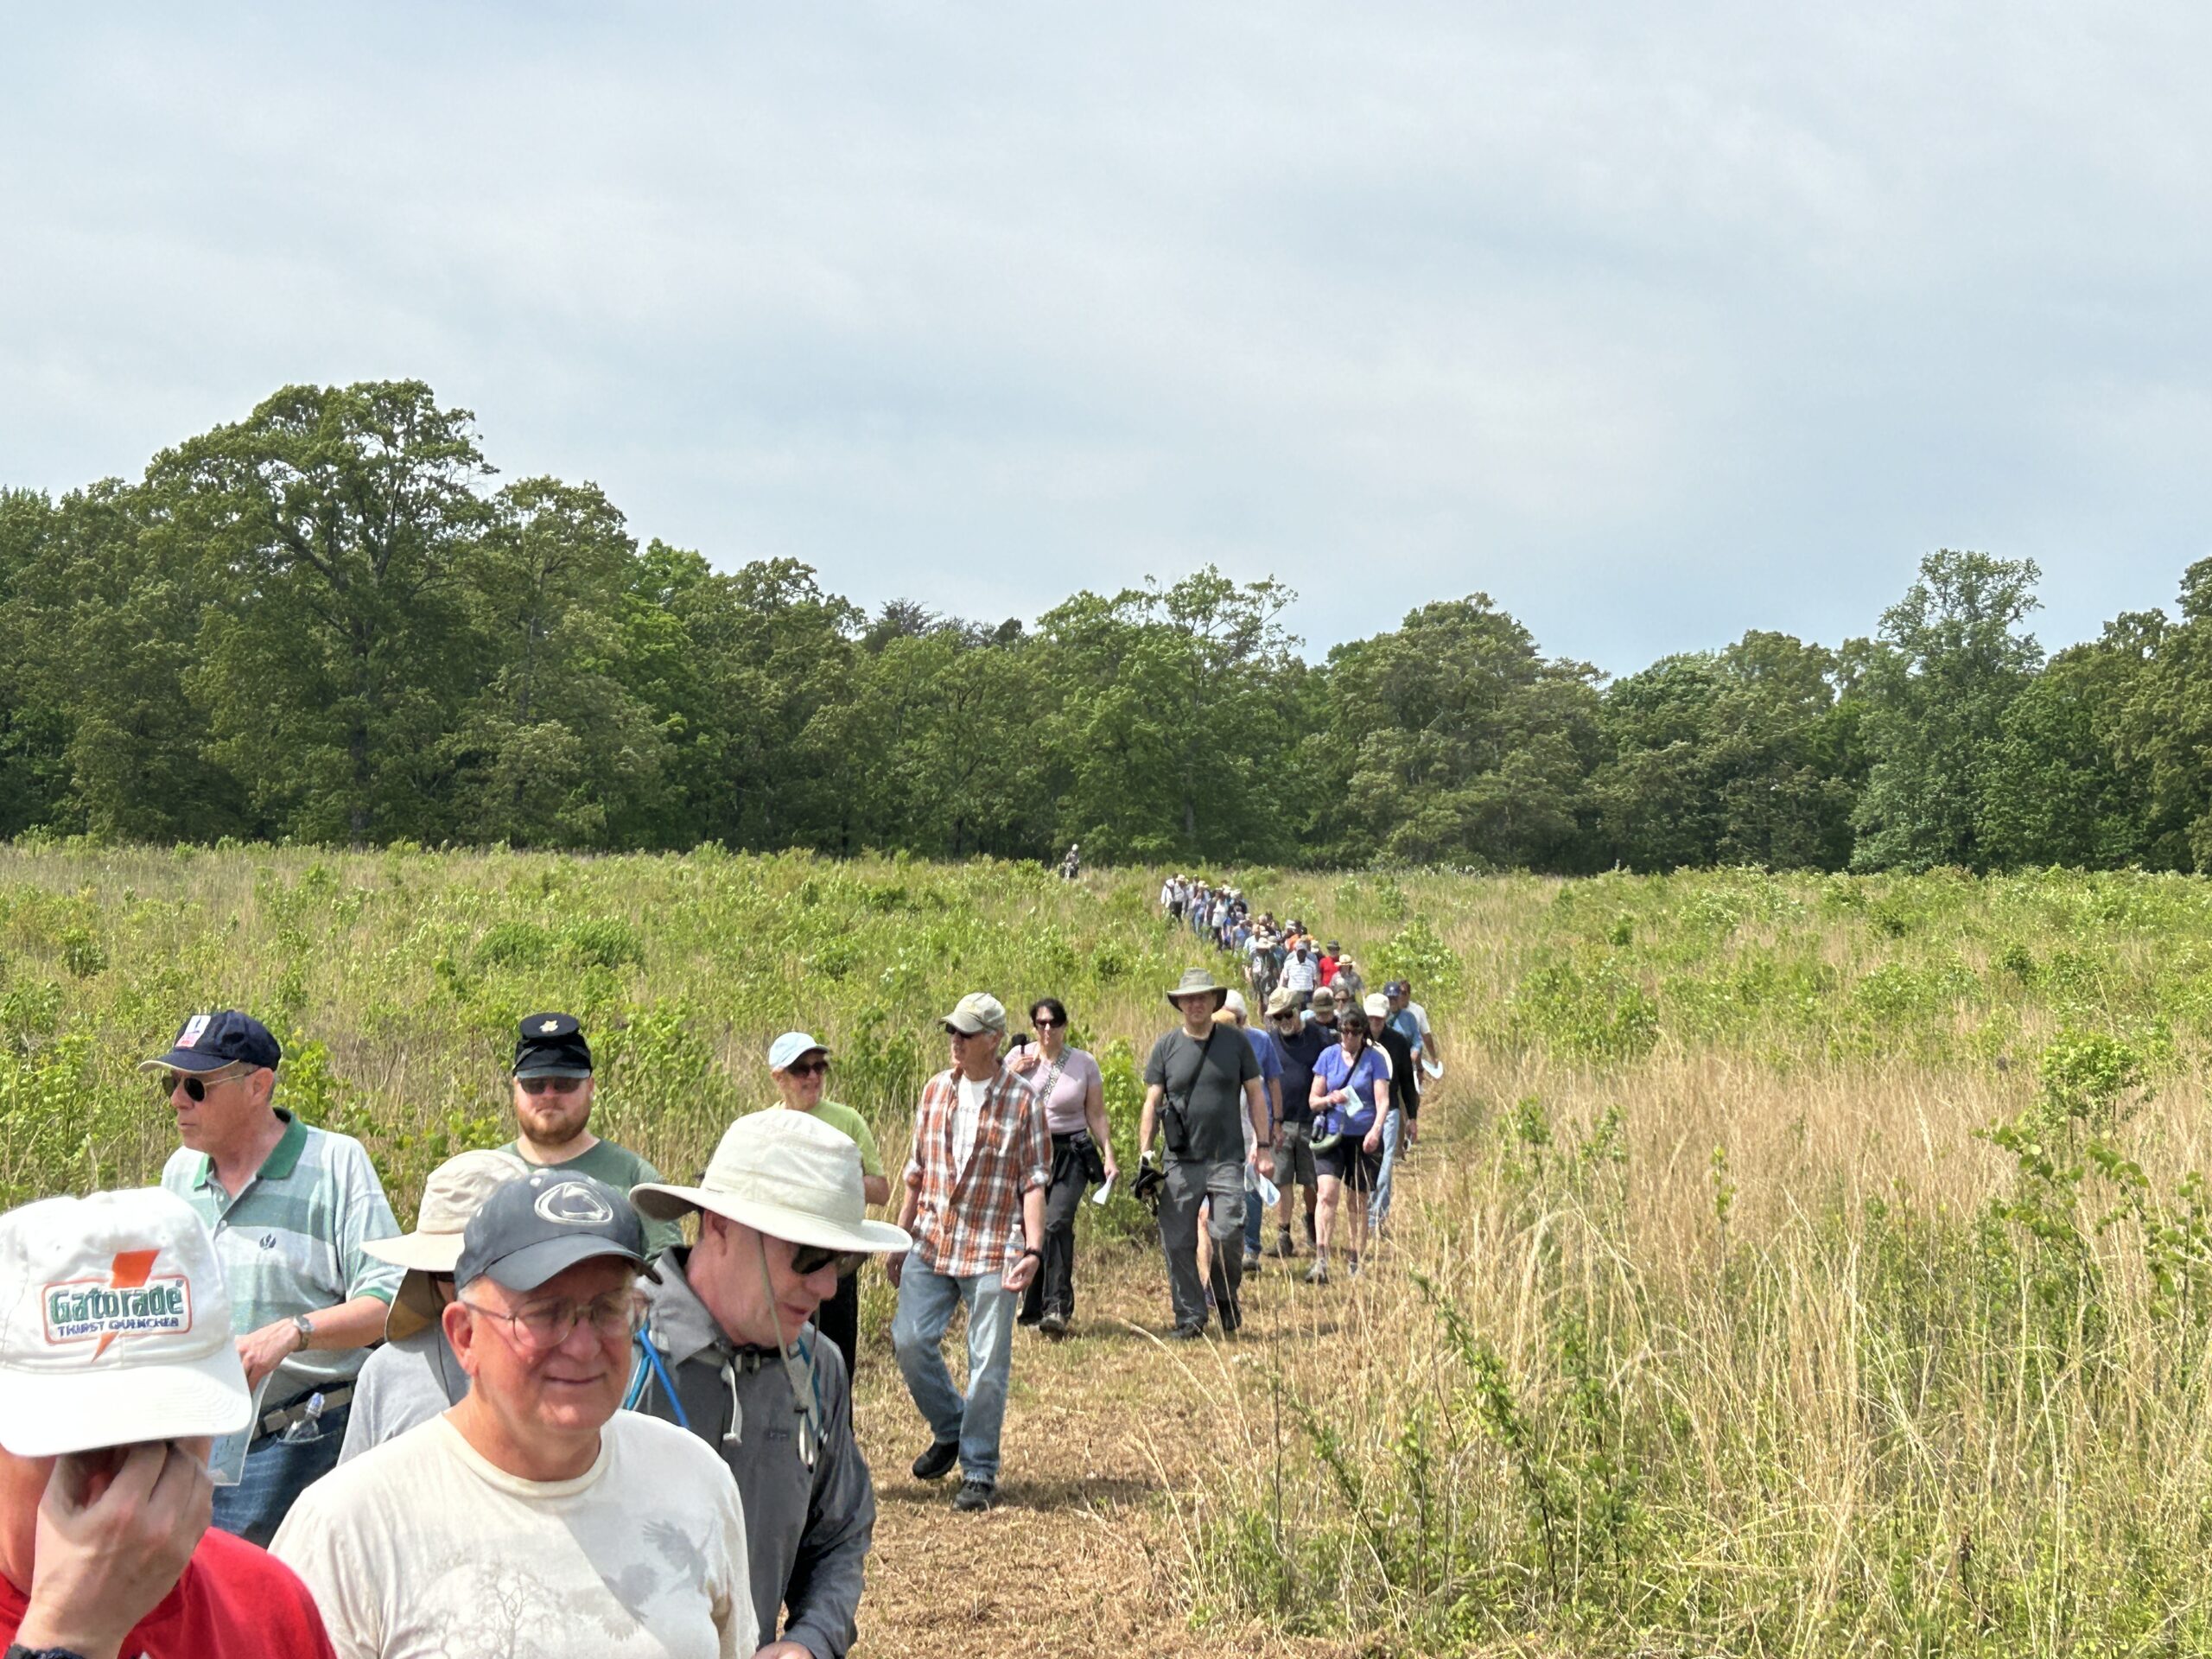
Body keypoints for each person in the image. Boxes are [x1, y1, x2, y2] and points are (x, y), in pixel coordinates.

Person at [272, 1170, 759, 1656]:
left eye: (608, 1309)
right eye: (545, 1314)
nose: (584, 1345)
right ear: (464, 1336)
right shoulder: (350, 1528)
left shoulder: (696, 1480)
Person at [0, 1187, 336, 1658]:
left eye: (164, 1437)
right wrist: (65, 1636)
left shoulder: (268, 1602)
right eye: (80, 1445)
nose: (126, 1498)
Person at [630, 1110, 912, 1659]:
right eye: (808, 1255)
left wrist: (811, 1639)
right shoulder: (611, 1355)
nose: (827, 1286)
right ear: (719, 1225)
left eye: (842, 1260)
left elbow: (839, 1533)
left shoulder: (818, 1368)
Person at [150, 1009, 404, 1545]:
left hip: (299, 1441)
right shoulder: (179, 1173)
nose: (177, 1101)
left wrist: (294, 1332)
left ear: (258, 1086)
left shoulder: (336, 1164)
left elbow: (388, 1302)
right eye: (171, 1083)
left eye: (196, 1086)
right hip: (192, 1444)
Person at [889, 993, 1048, 1514]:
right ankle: (952, 1427)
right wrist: (900, 1236)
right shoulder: (936, 1090)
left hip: (994, 1243)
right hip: (933, 1238)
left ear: (994, 1040)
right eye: (951, 1031)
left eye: (966, 1033)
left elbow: (1033, 1181)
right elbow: (917, 1172)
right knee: (909, 1339)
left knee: (987, 1363)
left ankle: (978, 1469)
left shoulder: (1023, 1101)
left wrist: (1033, 1248)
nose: (955, 1041)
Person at [337, 1149, 524, 1463]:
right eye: (448, 1273)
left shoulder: (578, 1362)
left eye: (481, 1269)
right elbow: (351, 1490)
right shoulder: (385, 1372)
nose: (464, 1289)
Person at [1138, 969, 1271, 1339]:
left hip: (1226, 1157)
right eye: (1189, 998)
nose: (1195, 1003)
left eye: (1202, 997)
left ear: (1214, 1001)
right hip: (1179, 1161)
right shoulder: (1166, 1046)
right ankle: (1190, 1317)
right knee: (1178, 1241)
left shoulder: (1236, 1043)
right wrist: (1145, 1154)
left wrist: (1263, 1146)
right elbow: (1152, 1102)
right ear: (1179, 1003)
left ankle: (1225, 1294)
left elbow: (1256, 1094)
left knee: (1228, 1232)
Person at [499, 1012, 682, 1261]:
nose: (549, 1095)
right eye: (535, 1084)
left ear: (590, 1087)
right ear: (516, 1088)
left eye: (564, 1083)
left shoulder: (637, 1179)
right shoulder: (483, 1174)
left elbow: (666, 1272)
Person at [765, 1032, 891, 1380]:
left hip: (835, 1263)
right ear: (778, 1077)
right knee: (781, 1367)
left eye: (819, 1067)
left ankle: (838, 1418)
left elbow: (881, 1191)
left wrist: (830, 1180)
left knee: (836, 1365)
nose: (813, 1077)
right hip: (781, 1263)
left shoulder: (847, 1121)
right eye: (801, 1069)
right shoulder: (764, 1127)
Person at [1004, 998, 1116, 1336]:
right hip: (1029, 1151)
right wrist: (1011, 1073)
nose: (1047, 1029)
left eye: (1053, 1022)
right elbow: (992, 1097)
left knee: (1056, 1222)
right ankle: (1033, 1306)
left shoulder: (1083, 1063)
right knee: (1031, 1229)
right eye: (1040, 1023)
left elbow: (1096, 1113)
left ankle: (1057, 1306)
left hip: (1071, 1151)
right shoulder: (1017, 1058)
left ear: (1065, 1025)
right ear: (1033, 1026)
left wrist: (1108, 1153)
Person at [1305, 1010, 1390, 1284]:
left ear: (1363, 1033)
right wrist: (1331, 1099)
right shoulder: (1328, 1056)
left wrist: (1376, 1130)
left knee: (1358, 1200)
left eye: (1354, 1032)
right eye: (1344, 1031)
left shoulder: (1375, 1059)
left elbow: (1383, 1100)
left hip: (1363, 1137)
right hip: (1332, 1135)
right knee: (1326, 1195)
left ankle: (1356, 1261)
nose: (1349, 1037)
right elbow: (1313, 1100)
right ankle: (1321, 1260)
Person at [1221, 991, 1284, 1274]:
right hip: (1221, 1131)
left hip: (1253, 1126)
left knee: (1251, 1188)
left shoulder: (1260, 1041)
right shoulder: (1213, 1044)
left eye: (1234, 1019)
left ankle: (1250, 1247)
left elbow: (1273, 1083)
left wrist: (1275, 1124)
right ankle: (1228, 1246)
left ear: (1243, 1018)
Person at [1264, 987, 1326, 1257]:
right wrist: (1270, 1121)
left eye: (1287, 1014)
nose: (1284, 1021)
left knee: (1311, 1180)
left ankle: (1312, 1223)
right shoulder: (1269, 1042)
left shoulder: (1319, 1037)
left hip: (1313, 1121)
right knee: (1283, 1179)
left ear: (1298, 1009)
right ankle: (1283, 1235)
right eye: (1277, 1017)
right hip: (1281, 1123)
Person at [1363, 993, 1421, 1237]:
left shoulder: (1398, 1042)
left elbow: (1407, 1082)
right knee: (1365, 1166)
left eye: (1379, 1017)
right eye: (1371, 1017)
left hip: (1390, 1111)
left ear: (1386, 1016)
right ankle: (1365, 1215)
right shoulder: (1356, 1038)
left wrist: (1412, 1118)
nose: (1375, 1021)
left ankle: (1376, 1220)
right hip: (1362, 1110)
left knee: (1385, 1166)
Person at [1281, 939, 1319, 1005]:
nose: (1301, 954)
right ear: (1296, 952)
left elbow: (1315, 980)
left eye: (1303, 952)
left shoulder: (1311, 964)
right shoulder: (1289, 963)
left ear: (1306, 953)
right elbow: (1285, 979)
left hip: (1307, 994)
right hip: (1293, 993)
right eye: (1299, 952)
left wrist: (1315, 993)